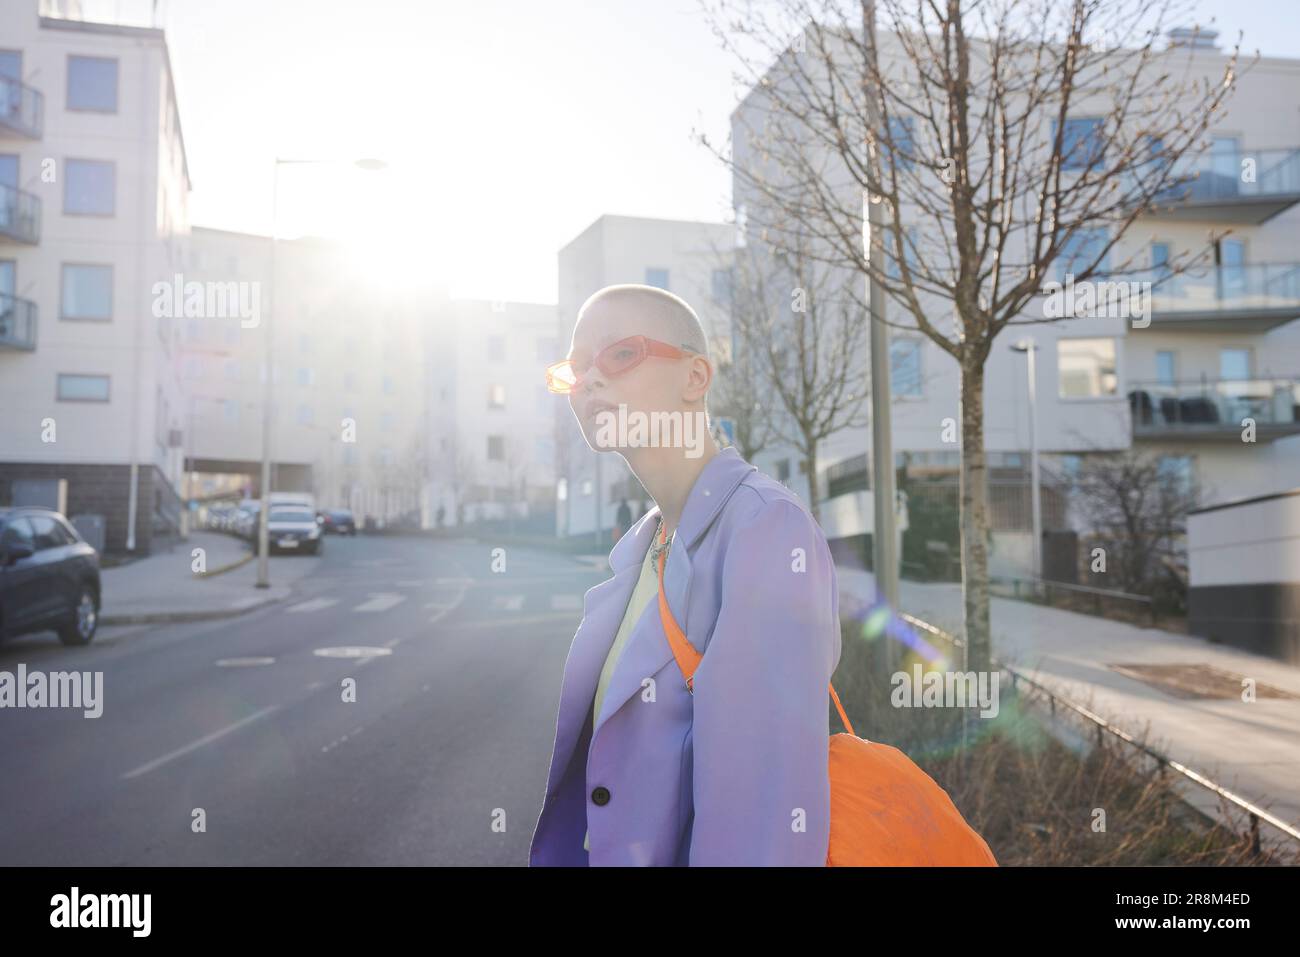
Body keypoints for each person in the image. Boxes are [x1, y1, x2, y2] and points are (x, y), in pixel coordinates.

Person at [530, 283, 841, 866]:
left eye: (618, 354)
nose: (589, 380)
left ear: (696, 378)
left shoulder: (764, 529)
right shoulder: (645, 543)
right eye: (575, 368)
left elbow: (762, 820)